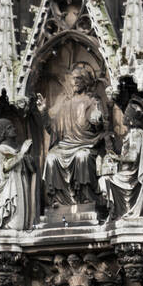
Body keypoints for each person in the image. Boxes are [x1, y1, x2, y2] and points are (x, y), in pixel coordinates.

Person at [37, 64, 107, 207]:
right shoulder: (65, 104)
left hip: (86, 144)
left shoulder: (92, 101)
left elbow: (100, 121)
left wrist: (97, 118)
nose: (75, 82)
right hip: (66, 145)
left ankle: (86, 198)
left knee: (82, 156)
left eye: (78, 79)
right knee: (51, 157)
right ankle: (59, 200)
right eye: (73, 79)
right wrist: (43, 112)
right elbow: (53, 129)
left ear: (86, 81)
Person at [99, 98, 143, 220]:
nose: (123, 117)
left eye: (125, 115)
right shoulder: (132, 134)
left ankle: (122, 211)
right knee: (104, 180)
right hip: (126, 172)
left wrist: (117, 158)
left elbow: (132, 156)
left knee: (104, 180)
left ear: (130, 119)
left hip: (131, 176)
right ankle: (118, 212)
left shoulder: (136, 134)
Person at [0, 118, 32, 232]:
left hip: (22, 183)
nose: (14, 129)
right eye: (10, 127)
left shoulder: (19, 148)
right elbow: (1, 171)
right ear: (4, 132)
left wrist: (28, 157)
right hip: (11, 188)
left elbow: (31, 169)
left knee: (22, 221)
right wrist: (21, 154)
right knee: (15, 223)